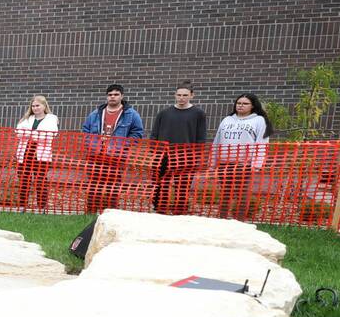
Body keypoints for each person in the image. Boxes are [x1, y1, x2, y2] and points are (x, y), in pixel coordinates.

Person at [80, 84, 146, 213]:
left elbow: (137, 133)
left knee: (113, 185)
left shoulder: (131, 114)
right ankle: (91, 212)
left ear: (122, 96)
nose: (112, 97)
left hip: (116, 156)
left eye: (116, 94)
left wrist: (123, 145)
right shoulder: (96, 113)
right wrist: (91, 144)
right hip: (96, 154)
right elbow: (85, 130)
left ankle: (110, 212)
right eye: (110, 95)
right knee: (94, 184)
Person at [149, 83, 208, 215]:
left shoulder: (198, 114)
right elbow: (154, 134)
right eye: (179, 95)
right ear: (175, 95)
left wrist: (197, 155)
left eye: (185, 95)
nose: (181, 98)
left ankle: (180, 210)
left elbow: (201, 137)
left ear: (192, 95)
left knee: (183, 185)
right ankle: (159, 208)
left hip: (186, 156)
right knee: (160, 183)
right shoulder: (164, 113)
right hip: (163, 155)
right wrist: (154, 153)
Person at [213, 93, 270, 221]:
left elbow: (262, 142)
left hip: (244, 164)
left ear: (252, 106)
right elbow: (217, 140)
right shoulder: (227, 119)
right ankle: (222, 219)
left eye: (245, 104)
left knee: (242, 194)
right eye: (239, 103)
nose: (240, 106)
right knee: (225, 193)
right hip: (224, 163)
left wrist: (257, 164)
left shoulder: (259, 120)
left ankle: (239, 221)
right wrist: (213, 161)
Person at [12, 95, 58, 210]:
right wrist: (36, 134)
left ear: (44, 106)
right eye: (33, 106)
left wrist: (29, 134)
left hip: (41, 155)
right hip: (25, 152)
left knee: (40, 180)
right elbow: (18, 132)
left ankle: (42, 206)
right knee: (24, 179)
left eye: (37, 105)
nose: (35, 108)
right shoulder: (27, 118)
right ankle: (22, 205)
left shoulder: (51, 118)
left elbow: (49, 135)